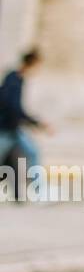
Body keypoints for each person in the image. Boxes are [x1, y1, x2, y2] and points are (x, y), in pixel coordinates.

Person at [0, 49, 50, 177]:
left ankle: (38, 190)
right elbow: (13, 107)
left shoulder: (18, 79)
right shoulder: (13, 79)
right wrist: (35, 123)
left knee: (33, 153)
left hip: (14, 128)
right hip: (6, 128)